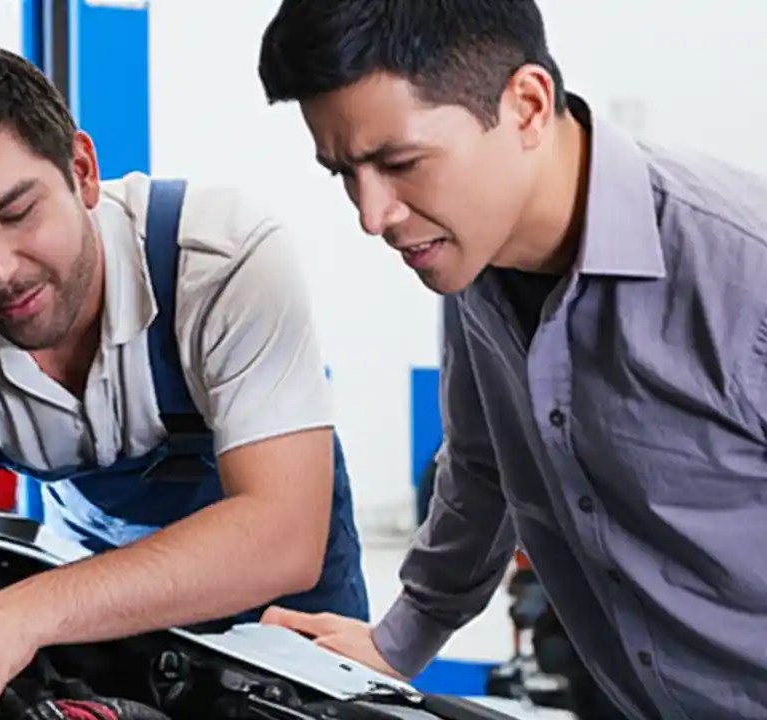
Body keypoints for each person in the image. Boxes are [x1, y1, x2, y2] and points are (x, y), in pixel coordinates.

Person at [0, 44, 370, 719]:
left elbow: (282, 537)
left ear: (82, 170)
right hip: (90, 581)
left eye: (17, 214)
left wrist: (25, 612)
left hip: (278, 593)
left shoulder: (222, 263)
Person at [253, 1, 767, 719]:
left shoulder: (743, 275)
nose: (373, 217)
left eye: (399, 163)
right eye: (345, 173)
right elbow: (483, 468)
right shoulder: (475, 261)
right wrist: (398, 642)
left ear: (526, 106)